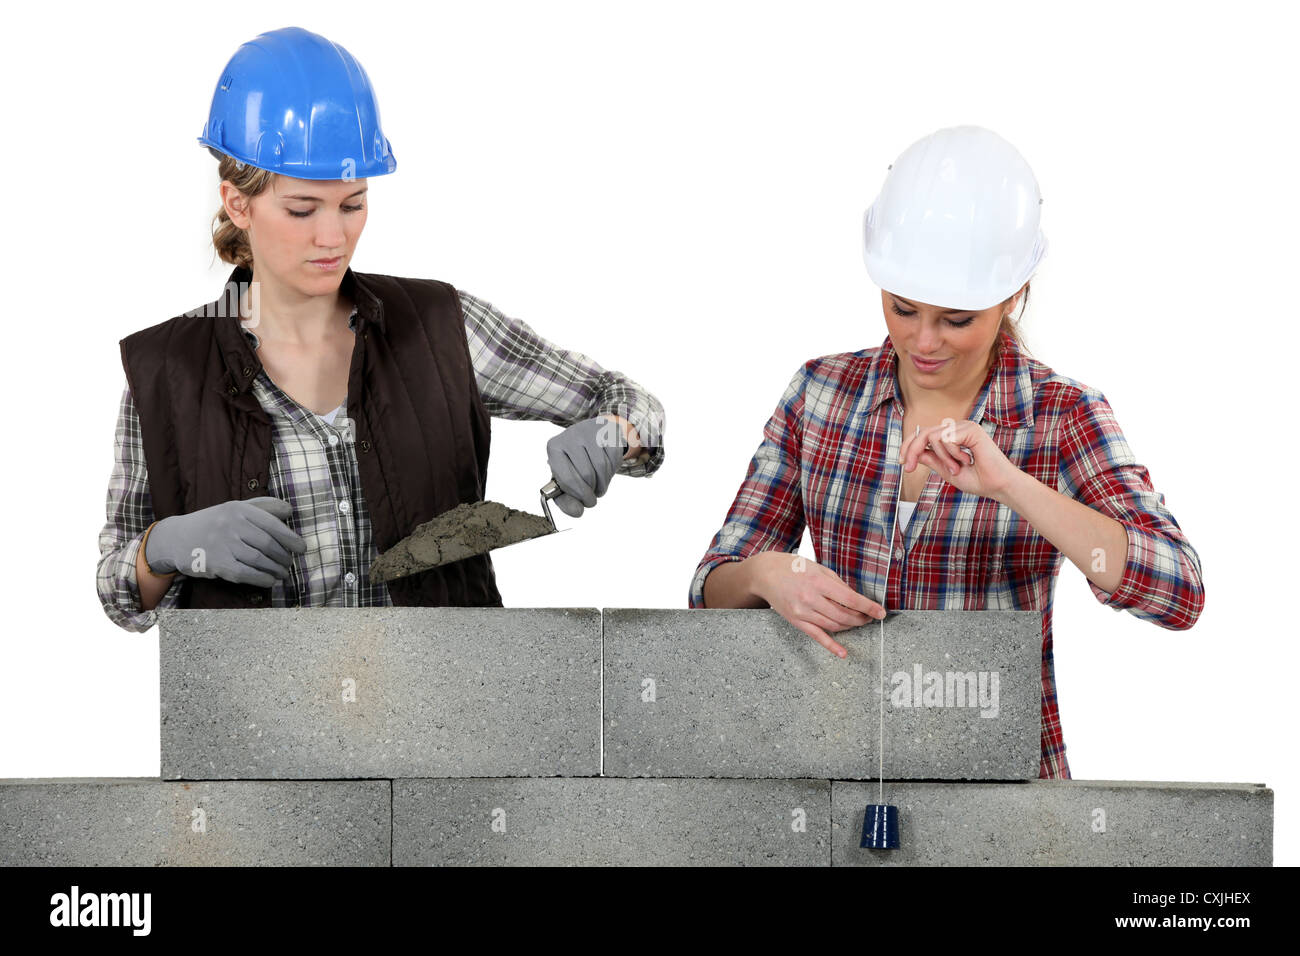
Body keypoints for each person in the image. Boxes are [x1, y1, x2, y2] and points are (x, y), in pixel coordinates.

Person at [97, 26, 664, 633]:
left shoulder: (444, 329)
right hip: (257, 727)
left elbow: (635, 406)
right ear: (238, 204)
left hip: (450, 719)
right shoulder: (167, 371)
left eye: (353, 204)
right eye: (301, 209)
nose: (332, 237)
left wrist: (617, 433)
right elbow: (117, 591)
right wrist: (165, 544)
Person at [688, 125, 1203, 778]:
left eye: (957, 318)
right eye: (903, 309)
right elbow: (710, 589)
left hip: (1002, 792)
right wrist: (769, 576)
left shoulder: (1060, 415)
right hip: (839, 779)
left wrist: (1013, 484)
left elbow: (1178, 591)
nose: (924, 340)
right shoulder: (821, 394)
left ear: (1013, 294)